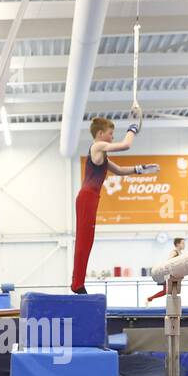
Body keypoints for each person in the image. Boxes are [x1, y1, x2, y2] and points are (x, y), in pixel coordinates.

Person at [70, 116, 158, 293]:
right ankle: (77, 284)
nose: (112, 137)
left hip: (91, 198)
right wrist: (132, 129)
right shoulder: (97, 146)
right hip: (87, 197)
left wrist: (140, 169)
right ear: (100, 134)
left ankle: (78, 282)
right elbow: (126, 145)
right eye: (110, 134)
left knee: (87, 240)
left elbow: (119, 171)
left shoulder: (102, 155)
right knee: (84, 240)